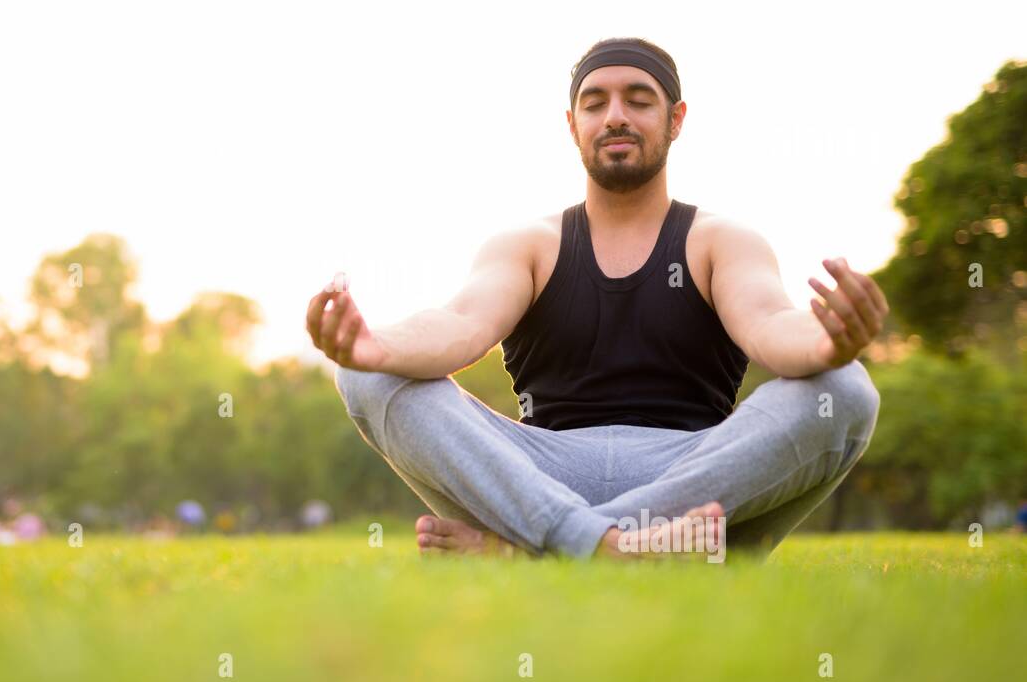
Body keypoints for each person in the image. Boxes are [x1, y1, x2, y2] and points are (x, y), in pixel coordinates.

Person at [305, 37, 886, 562]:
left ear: (676, 119)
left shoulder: (720, 240)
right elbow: (461, 323)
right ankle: (633, 551)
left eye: (638, 99)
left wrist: (825, 341)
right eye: (595, 102)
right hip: (540, 475)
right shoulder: (530, 243)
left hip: (692, 475)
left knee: (845, 388)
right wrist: (375, 348)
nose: (615, 117)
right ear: (572, 122)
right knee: (364, 377)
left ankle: (536, 551)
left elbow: (769, 325)